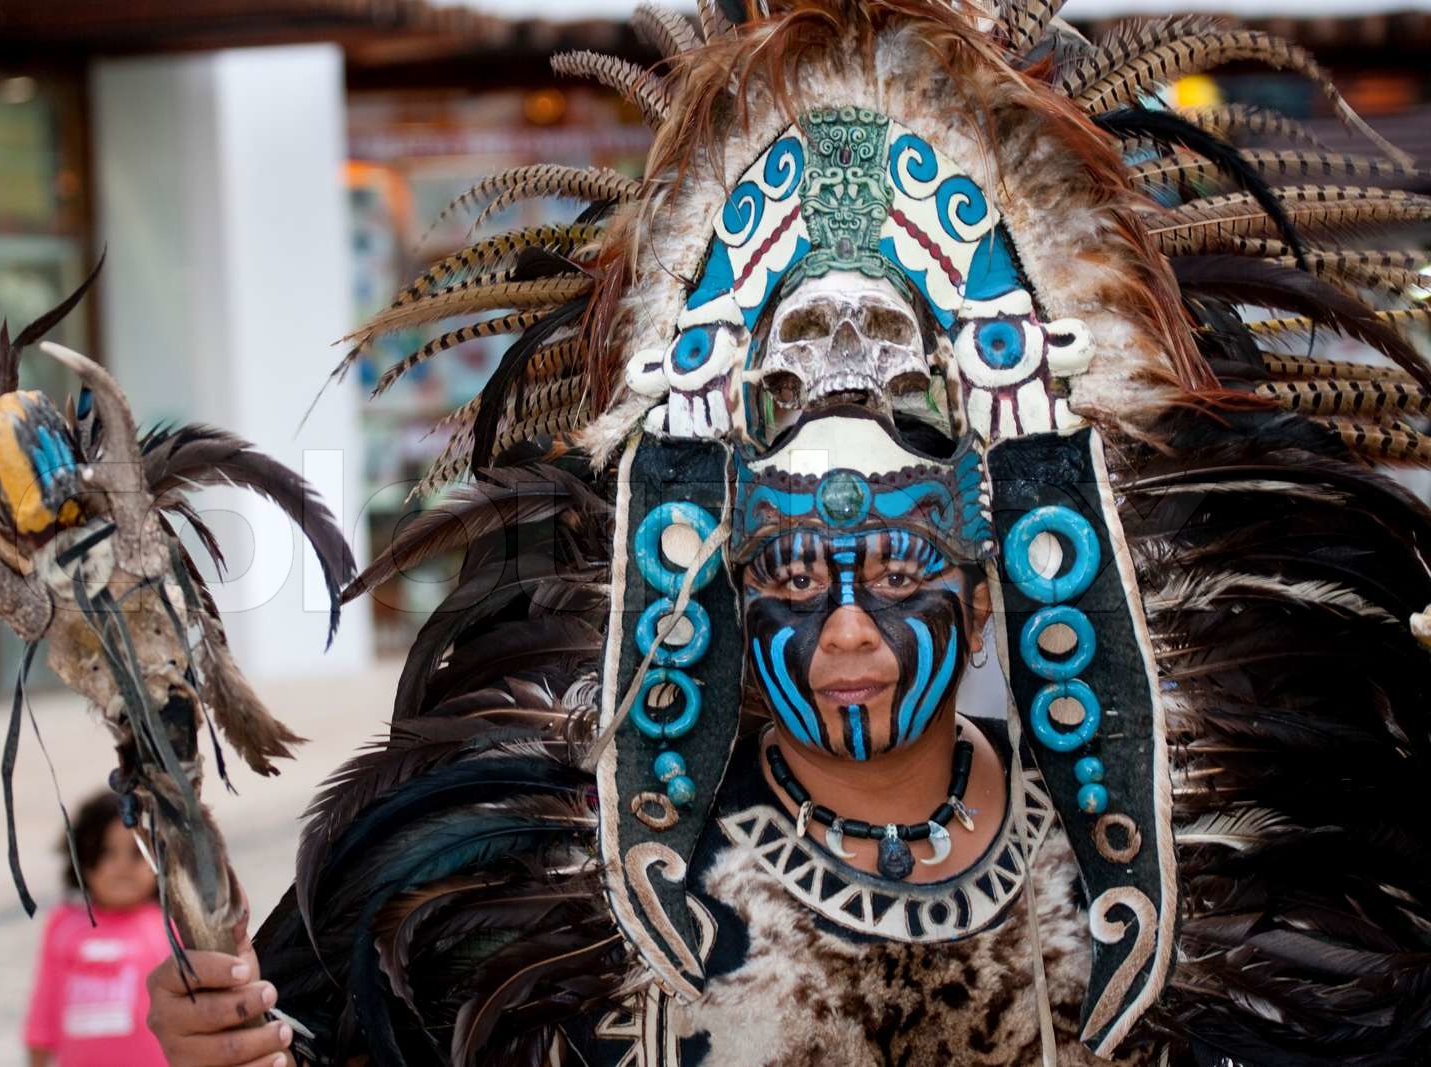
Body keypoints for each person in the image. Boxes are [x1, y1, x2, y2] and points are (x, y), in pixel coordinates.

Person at [124, 0, 1431, 1063]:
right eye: (796, 572)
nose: (848, 629)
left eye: (902, 568)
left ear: (984, 591)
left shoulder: (1142, 879)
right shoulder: (601, 895)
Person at [25, 792, 173, 1067]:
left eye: (137, 853)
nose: (122, 867)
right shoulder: (63, 924)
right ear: (83, 856)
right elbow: (43, 1011)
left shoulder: (170, 927)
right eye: (106, 852)